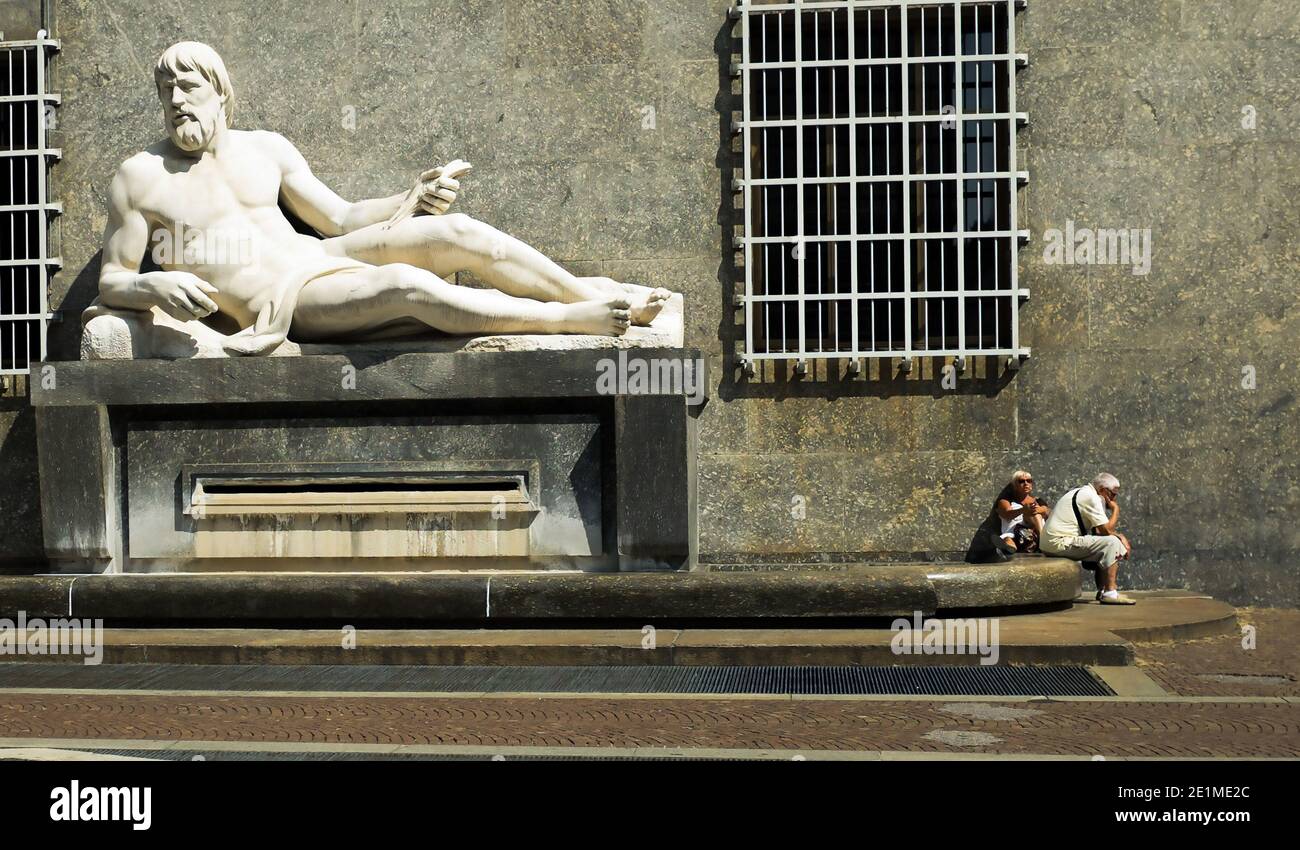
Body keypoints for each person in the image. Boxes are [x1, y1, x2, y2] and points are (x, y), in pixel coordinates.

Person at [95, 42, 673, 356]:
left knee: (457, 232)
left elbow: (339, 217)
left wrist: (411, 195)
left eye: (188, 87)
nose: (176, 100)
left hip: (320, 257)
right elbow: (112, 280)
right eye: (166, 91)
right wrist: (154, 284)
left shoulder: (265, 148)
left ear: (220, 94)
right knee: (406, 285)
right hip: (281, 302)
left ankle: (588, 293)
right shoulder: (140, 177)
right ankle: (567, 320)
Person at [1040, 472, 1135, 605]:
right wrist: (1116, 510)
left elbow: (1099, 532)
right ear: (1102, 490)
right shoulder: (1091, 498)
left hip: (1052, 543)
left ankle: (1103, 590)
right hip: (1060, 542)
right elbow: (1106, 530)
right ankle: (1110, 592)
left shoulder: (1084, 493)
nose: (1114, 499)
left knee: (1107, 544)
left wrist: (1119, 537)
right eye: (1113, 494)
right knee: (1112, 543)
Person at [964, 471, 1050, 563]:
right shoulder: (1006, 501)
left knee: (1035, 514)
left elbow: (1046, 511)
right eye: (1021, 481)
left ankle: (1043, 540)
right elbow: (1006, 514)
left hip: (1034, 534)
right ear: (1014, 485)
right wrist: (1022, 510)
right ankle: (1008, 550)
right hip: (1015, 534)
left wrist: (1033, 510)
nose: (1026, 484)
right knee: (1008, 539)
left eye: (1029, 481)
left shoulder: (1038, 501)